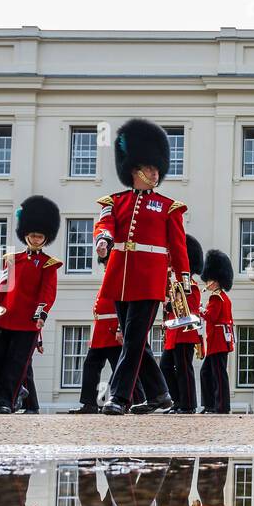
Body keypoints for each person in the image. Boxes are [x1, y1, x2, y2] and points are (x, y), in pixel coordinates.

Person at [93, 119, 187, 416]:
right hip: (119, 276)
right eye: (150, 168)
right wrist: (104, 239)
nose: (155, 174)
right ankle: (160, 395)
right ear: (135, 169)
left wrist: (182, 279)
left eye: (157, 169)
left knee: (133, 340)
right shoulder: (115, 201)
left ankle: (119, 397)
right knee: (135, 342)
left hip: (149, 279)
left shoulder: (167, 206)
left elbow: (178, 247)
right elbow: (104, 224)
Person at [0, 195, 59, 414]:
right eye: (32, 235)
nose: (36, 239)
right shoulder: (12, 258)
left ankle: (4, 402)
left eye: (40, 236)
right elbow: (3, 286)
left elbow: (47, 292)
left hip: (28, 321)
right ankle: (30, 404)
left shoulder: (48, 264)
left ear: (45, 238)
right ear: (25, 234)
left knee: (16, 365)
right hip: (5, 318)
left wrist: (41, 314)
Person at [158, 233, 204, 414]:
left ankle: (188, 404)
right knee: (166, 367)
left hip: (185, 333)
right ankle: (178, 401)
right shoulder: (173, 282)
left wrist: (169, 304)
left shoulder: (187, 283)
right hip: (174, 333)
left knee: (184, 369)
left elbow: (190, 307)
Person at [199, 249, 236, 414]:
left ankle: (220, 406)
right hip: (220, 340)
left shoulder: (216, 297)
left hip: (217, 340)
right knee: (208, 372)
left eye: (210, 280)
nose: (207, 282)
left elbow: (211, 317)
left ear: (216, 281)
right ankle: (211, 404)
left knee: (218, 374)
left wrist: (199, 309)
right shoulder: (223, 297)